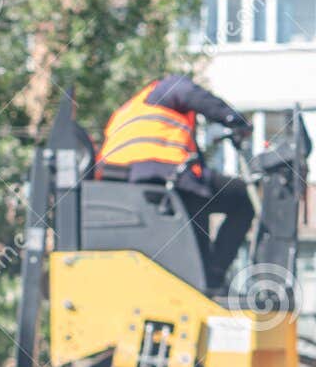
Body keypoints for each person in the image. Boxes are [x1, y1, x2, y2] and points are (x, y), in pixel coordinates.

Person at [96, 75, 254, 289]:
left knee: (200, 197)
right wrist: (235, 121)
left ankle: (204, 280)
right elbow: (187, 92)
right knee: (244, 198)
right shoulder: (161, 90)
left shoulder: (122, 114)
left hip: (126, 188)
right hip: (166, 175)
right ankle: (214, 275)